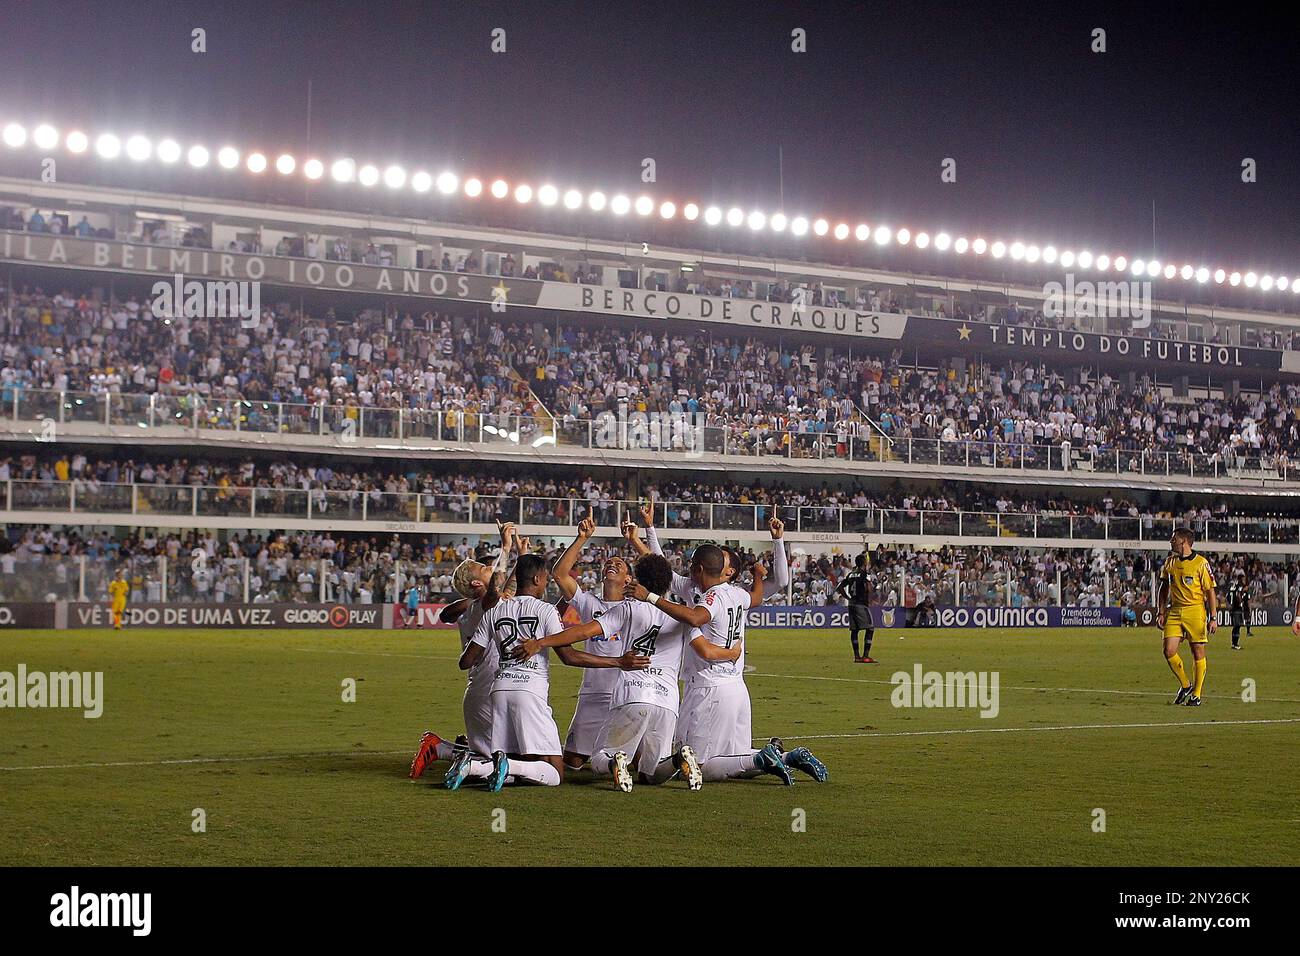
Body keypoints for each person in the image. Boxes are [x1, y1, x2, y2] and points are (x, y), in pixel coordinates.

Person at [628, 543, 828, 785]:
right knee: (733, 758)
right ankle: (787, 757)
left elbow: (696, 622)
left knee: (694, 766)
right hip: (737, 688)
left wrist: (650, 597)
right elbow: (756, 598)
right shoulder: (736, 593)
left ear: (699, 568)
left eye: (692, 566)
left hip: (709, 689)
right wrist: (757, 577)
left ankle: (761, 760)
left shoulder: (711, 598)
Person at [450, 553, 647, 792]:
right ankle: (486, 766)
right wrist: (618, 662)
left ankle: (474, 767)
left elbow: (466, 661)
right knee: (554, 772)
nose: (546, 584)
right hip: (529, 692)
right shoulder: (545, 611)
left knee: (520, 762)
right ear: (536, 579)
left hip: (499, 690)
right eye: (544, 579)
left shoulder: (494, 612)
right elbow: (569, 656)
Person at [512, 553, 705, 792]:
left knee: (600, 758)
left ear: (636, 581)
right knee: (651, 773)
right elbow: (704, 647)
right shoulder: (683, 616)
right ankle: (679, 759)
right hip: (667, 701)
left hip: (632, 694)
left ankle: (615, 760)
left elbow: (582, 633)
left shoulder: (628, 609)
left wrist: (542, 642)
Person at [549, 510, 635, 770]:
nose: (612, 564)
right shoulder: (589, 603)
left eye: (619, 564)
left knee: (637, 761)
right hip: (593, 693)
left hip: (625, 692)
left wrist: (636, 540)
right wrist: (582, 538)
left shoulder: (635, 607)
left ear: (628, 579)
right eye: (609, 563)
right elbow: (560, 575)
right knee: (573, 762)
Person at [1156, 528, 1217, 706]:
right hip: (1174, 611)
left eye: (1173, 538)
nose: (1170, 541)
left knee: (1197, 650)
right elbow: (1163, 588)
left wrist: (1213, 617)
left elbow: (1210, 591)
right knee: (1168, 651)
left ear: (1184, 542)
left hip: (1195, 610)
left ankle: (1196, 695)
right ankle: (1185, 684)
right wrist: (1161, 611)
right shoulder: (1170, 562)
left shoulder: (1201, 563)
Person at [834, 553, 876, 662]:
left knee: (854, 630)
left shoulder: (851, 574)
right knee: (870, 628)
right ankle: (866, 656)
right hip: (861, 604)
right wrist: (870, 599)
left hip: (852, 604)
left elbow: (840, 588)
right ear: (864, 563)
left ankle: (857, 656)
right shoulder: (864, 574)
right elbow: (868, 588)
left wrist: (848, 598)